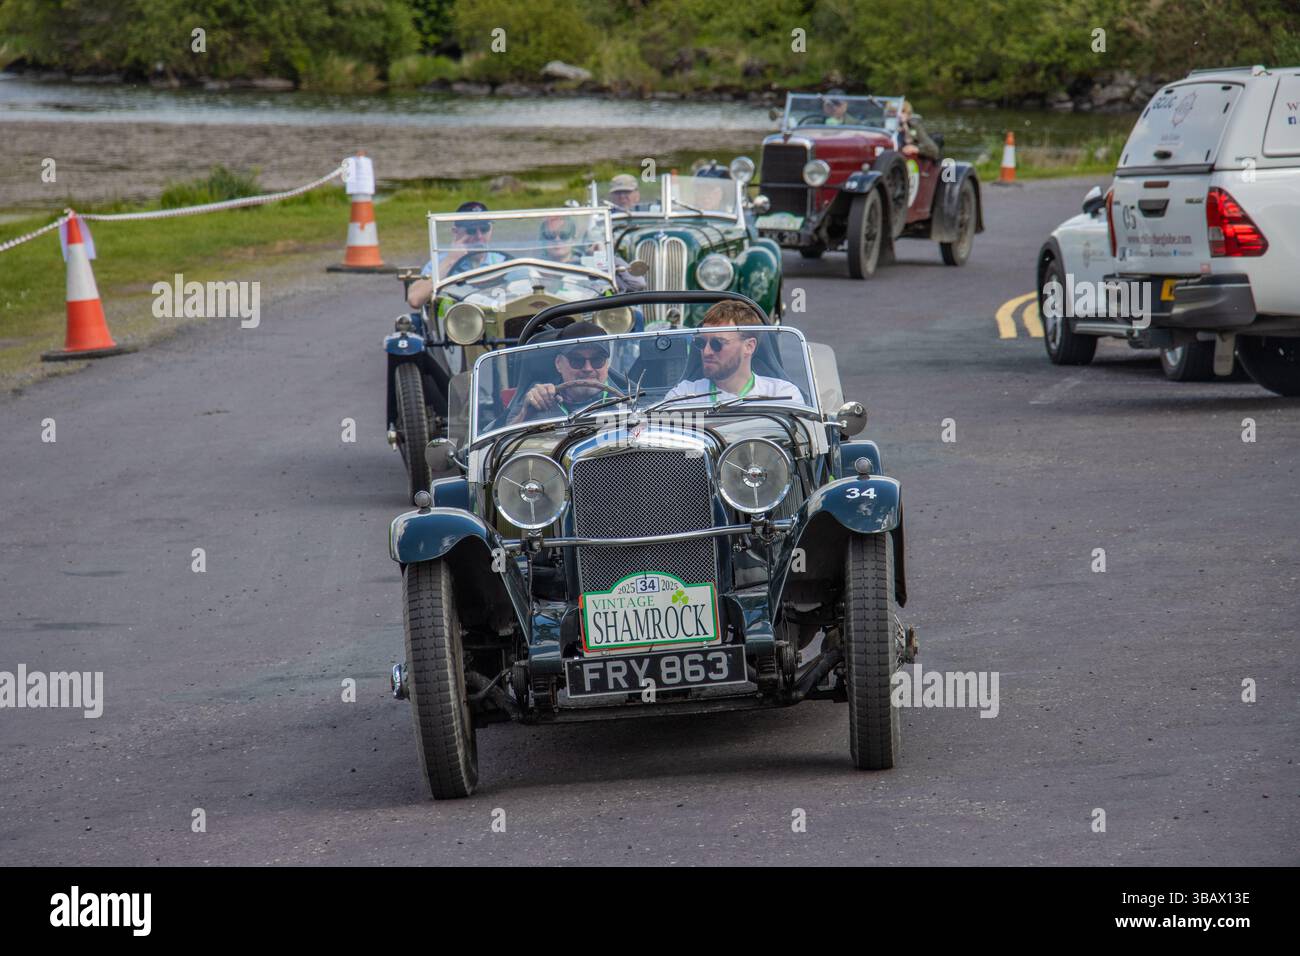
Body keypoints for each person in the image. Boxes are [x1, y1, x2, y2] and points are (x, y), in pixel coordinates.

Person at [661, 300, 795, 402]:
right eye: (701, 343)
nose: (707, 352)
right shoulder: (682, 396)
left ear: (749, 347)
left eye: (717, 344)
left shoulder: (782, 395)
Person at [404, 201, 504, 308]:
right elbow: (415, 299)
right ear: (456, 232)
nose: (479, 236)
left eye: (484, 229)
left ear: (491, 229)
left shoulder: (502, 261)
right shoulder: (440, 262)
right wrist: (451, 261)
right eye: (471, 230)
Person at [509, 321, 615, 422]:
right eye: (576, 360)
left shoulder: (627, 397)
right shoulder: (538, 396)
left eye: (597, 360)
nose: (588, 369)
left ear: (607, 364)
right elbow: (505, 439)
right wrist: (526, 414)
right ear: (559, 363)